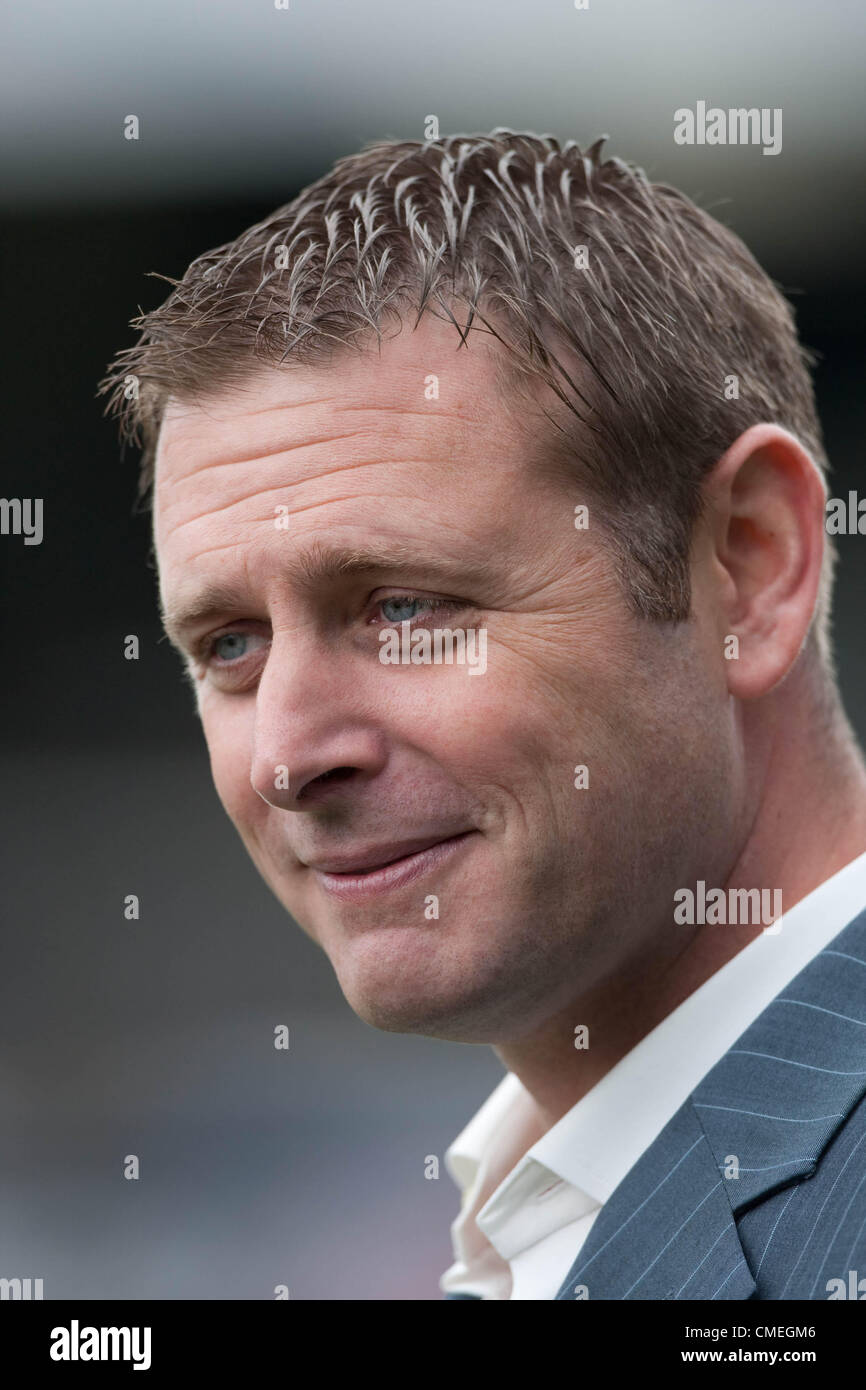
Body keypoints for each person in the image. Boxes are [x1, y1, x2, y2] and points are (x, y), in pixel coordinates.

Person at [100, 130, 866, 1300]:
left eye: (401, 607)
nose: (287, 756)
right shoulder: (554, 1207)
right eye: (231, 645)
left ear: (749, 568)